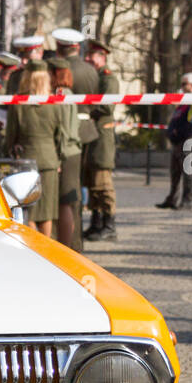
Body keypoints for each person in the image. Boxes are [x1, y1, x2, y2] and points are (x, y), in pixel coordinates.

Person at [3, 60, 65, 238]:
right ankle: (46, 249)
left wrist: (9, 149)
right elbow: (59, 136)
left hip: (26, 161)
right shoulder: (54, 103)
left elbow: (10, 136)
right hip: (50, 161)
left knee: (29, 210)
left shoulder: (19, 103)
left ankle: (31, 248)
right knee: (46, 212)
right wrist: (58, 159)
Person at [81, 39, 120, 241]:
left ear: (102, 57)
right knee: (92, 182)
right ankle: (96, 223)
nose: (87, 59)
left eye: (91, 55)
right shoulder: (95, 77)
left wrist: (84, 108)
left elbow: (106, 107)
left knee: (103, 184)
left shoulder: (108, 79)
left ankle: (109, 224)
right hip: (92, 135)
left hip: (102, 136)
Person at [48, 56, 84, 248]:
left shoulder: (60, 94)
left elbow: (62, 130)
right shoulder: (67, 93)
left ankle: (65, 248)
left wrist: (59, 158)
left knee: (64, 203)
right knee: (68, 202)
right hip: (72, 150)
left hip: (65, 153)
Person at [158, 72, 192, 211]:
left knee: (188, 173)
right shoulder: (183, 102)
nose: (182, 87)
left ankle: (187, 201)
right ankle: (173, 198)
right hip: (177, 141)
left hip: (188, 139)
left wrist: (179, 131)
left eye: (184, 84)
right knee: (175, 172)